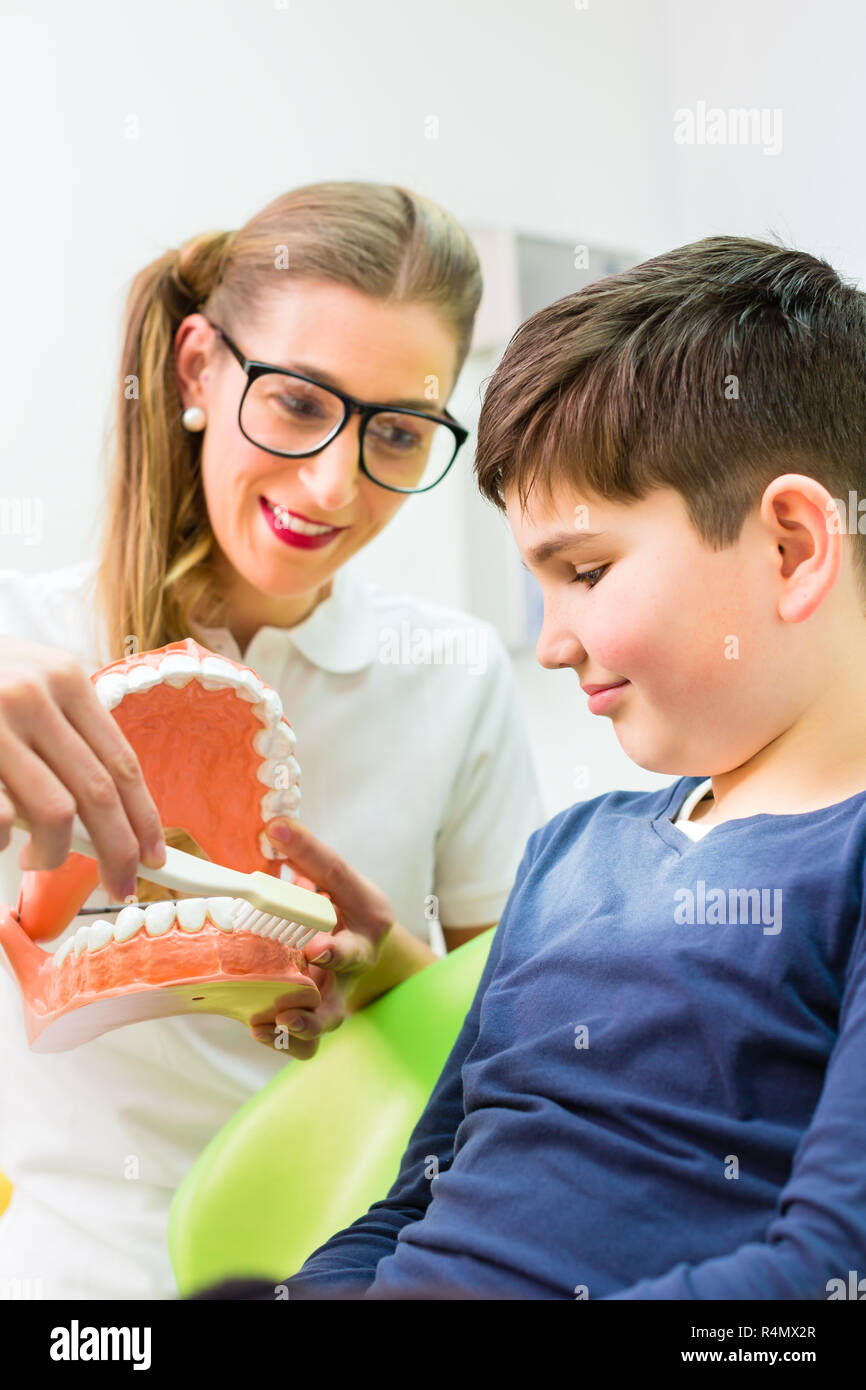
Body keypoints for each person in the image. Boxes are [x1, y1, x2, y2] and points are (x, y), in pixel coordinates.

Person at [200, 234, 866, 1300]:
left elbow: (825, 1279)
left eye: (587, 570)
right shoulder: (567, 853)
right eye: (537, 586)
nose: (552, 641)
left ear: (788, 547)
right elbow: (415, 1197)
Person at [0, 181, 545, 1299]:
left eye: (396, 431)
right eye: (298, 404)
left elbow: (511, 1057)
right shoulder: (25, 641)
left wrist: (381, 968)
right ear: (198, 370)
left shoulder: (454, 678)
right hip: (72, 1277)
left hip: (350, 1266)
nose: (334, 484)